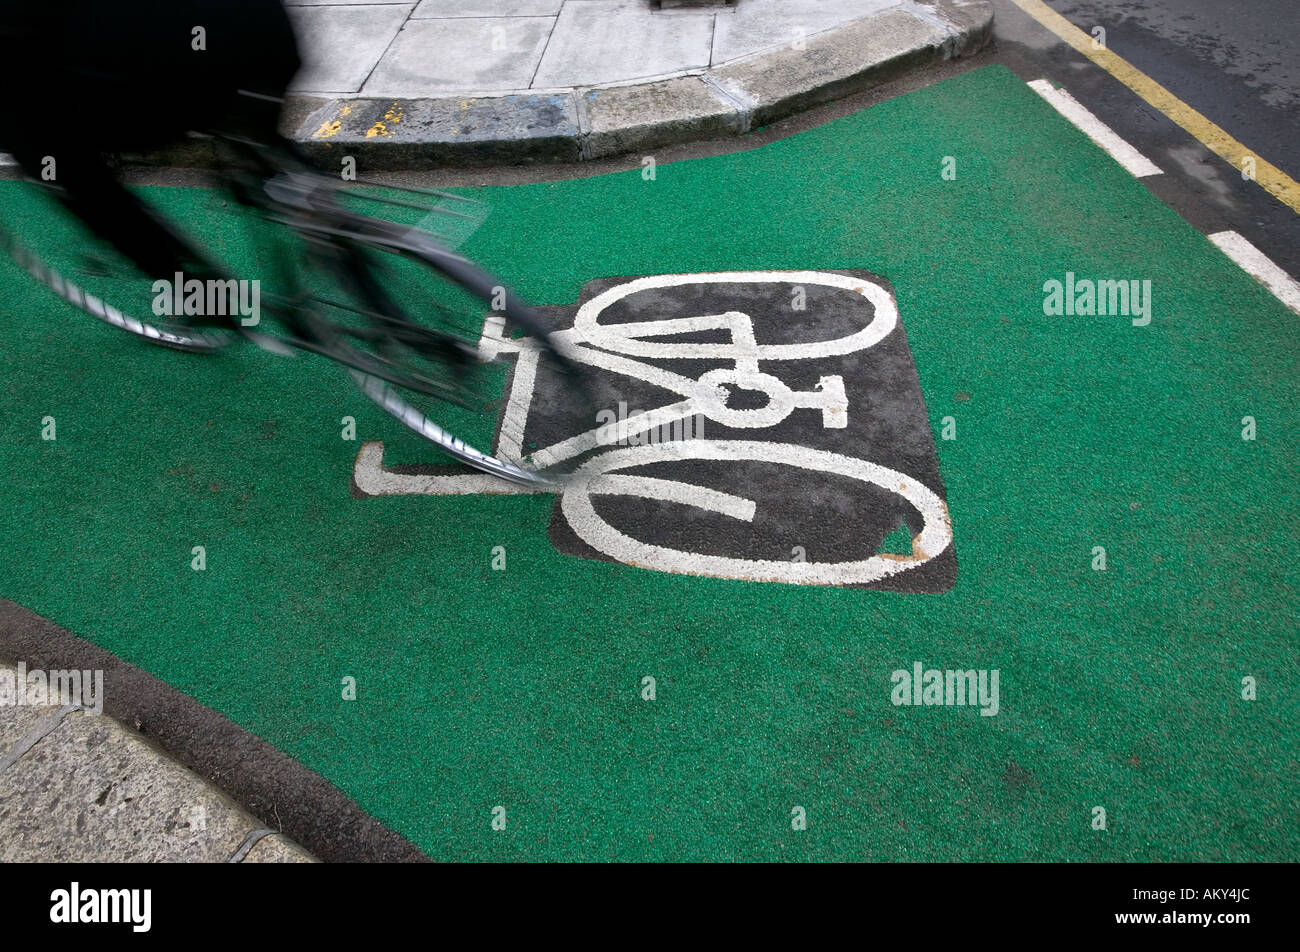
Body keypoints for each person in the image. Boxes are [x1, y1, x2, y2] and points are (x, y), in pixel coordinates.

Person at [0, 0, 301, 279]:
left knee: (40, 145)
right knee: (250, 105)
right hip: (267, 29)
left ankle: (194, 291)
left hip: (159, 87)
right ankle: (308, 197)